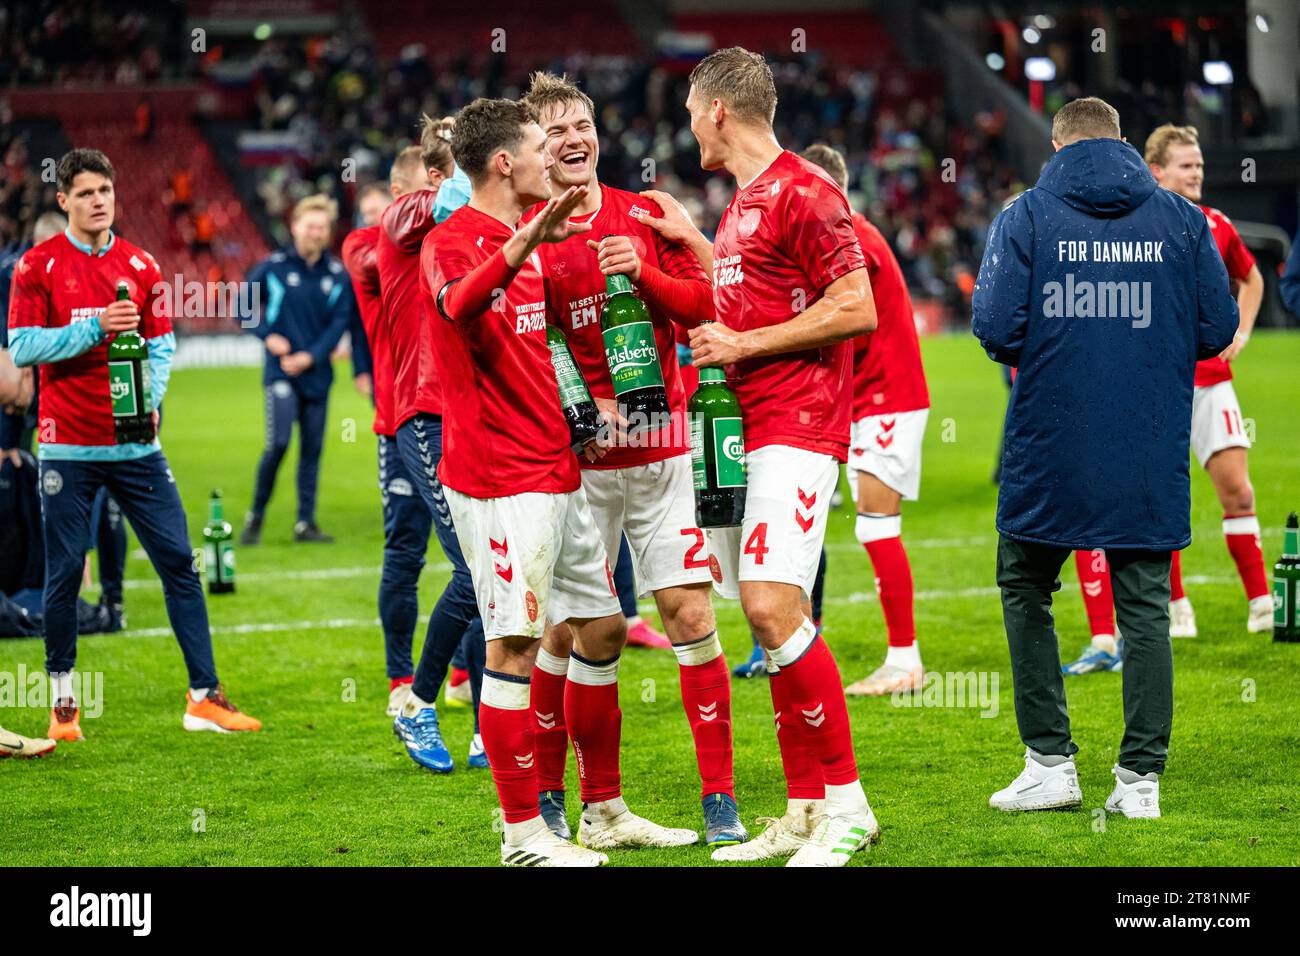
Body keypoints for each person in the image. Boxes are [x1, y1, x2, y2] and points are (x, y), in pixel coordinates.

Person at [422, 97, 697, 866]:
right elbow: (456, 306)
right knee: (511, 646)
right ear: (506, 161)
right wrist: (526, 243)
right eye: (543, 145)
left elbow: (546, 354)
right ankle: (523, 837)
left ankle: (604, 812)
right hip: (499, 477)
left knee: (604, 628)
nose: (557, 157)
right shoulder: (454, 241)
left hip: (558, 469)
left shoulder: (534, 239)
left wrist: (589, 411)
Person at [645, 48, 881, 866]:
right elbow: (741, 300)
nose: (685, 126)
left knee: (773, 608)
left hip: (803, 427)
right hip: (752, 430)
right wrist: (690, 244)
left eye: (687, 110)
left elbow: (859, 306)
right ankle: (806, 810)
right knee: (774, 614)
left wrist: (745, 340)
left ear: (716, 110)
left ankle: (848, 806)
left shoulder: (809, 193)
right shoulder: (742, 204)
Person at [973, 98, 1236, 819]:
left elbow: (995, 327)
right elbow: (1217, 327)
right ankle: (1140, 783)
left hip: (1050, 441)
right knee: (1145, 607)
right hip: (1147, 440)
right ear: (1122, 144)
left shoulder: (1026, 216)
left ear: (1058, 144)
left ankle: (1050, 764)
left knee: (1026, 589)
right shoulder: (1182, 220)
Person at [519, 71, 744, 846]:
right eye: (556, 130)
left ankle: (719, 800)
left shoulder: (644, 213)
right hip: (579, 466)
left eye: (581, 124)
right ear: (532, 149)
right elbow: (534, 347)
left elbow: (707, 307)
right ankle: (573, 799)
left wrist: (644, 269)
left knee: (688, 613)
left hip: (664, 452)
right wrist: (585, 410)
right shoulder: (528, 237)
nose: (575, 138)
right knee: (580, 633)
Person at [7, 148, 262, 740]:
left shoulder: (141, 265)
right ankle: (64, 703)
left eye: (107, 191)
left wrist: (149, 397)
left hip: (136, 447)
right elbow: (21, 348)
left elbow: (163, 345)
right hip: (66, 447)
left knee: (180, 561)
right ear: (63, 199)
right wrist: (95, 328)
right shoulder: (37, 267)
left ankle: (204, 697)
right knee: (66, 570)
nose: (99, 201)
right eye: (88, 192)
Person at [801, 143, 932, 697]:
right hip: (871, 399)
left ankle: (905, 658)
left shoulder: (852, 234)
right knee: (867, 523)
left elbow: (836, 319)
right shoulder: (857, 232)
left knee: (878, 525)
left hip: (887, 399)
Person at [377, 123, 487, 772]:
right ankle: (417, 704)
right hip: (422, 416)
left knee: (492, 571)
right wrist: (466, 147)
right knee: (473, 569)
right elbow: (446, 199)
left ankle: (483, 727)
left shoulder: (465, 233)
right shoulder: (406, 215)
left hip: (474, 414)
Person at [239, 195, 357, 545]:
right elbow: (242, 306)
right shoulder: (272, 267)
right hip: (280, 374)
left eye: (322, 227)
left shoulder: (337, 274)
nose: (316, 233)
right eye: (310, 226)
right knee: (278, 443)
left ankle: (305, 523)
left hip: (317, 376)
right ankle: (255, 516)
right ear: (295, 227)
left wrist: (310, 357)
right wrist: (266, 336)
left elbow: (339, 325)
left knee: (312, 450)